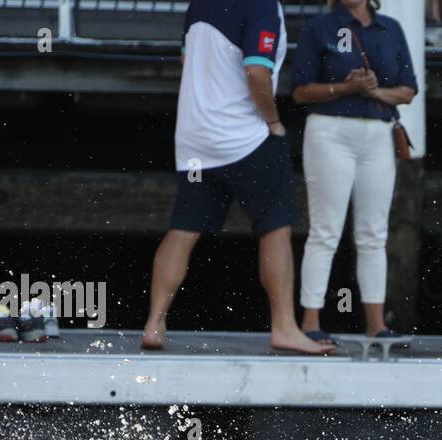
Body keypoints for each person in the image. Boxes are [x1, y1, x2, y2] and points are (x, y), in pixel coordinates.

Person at [142, 0, 333, 356]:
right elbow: (257, 73)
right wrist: (274, 122)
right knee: (275, 225)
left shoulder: (199, 4)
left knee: (184, 227)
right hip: (243, 135)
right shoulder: (261, 5)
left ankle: (155, 323)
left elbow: (189, 62)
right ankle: (285, 327)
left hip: (194, 136)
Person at [291, 0, 417, 343]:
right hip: (330, 130)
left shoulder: (390, 28)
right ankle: (310, 321)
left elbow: (408, 90)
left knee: (374, 233)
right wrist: (347, 88)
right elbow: (300, 90)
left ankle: (376, 324)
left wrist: (373, 90)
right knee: (325, 230)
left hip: (377, 133)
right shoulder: (319, 27)